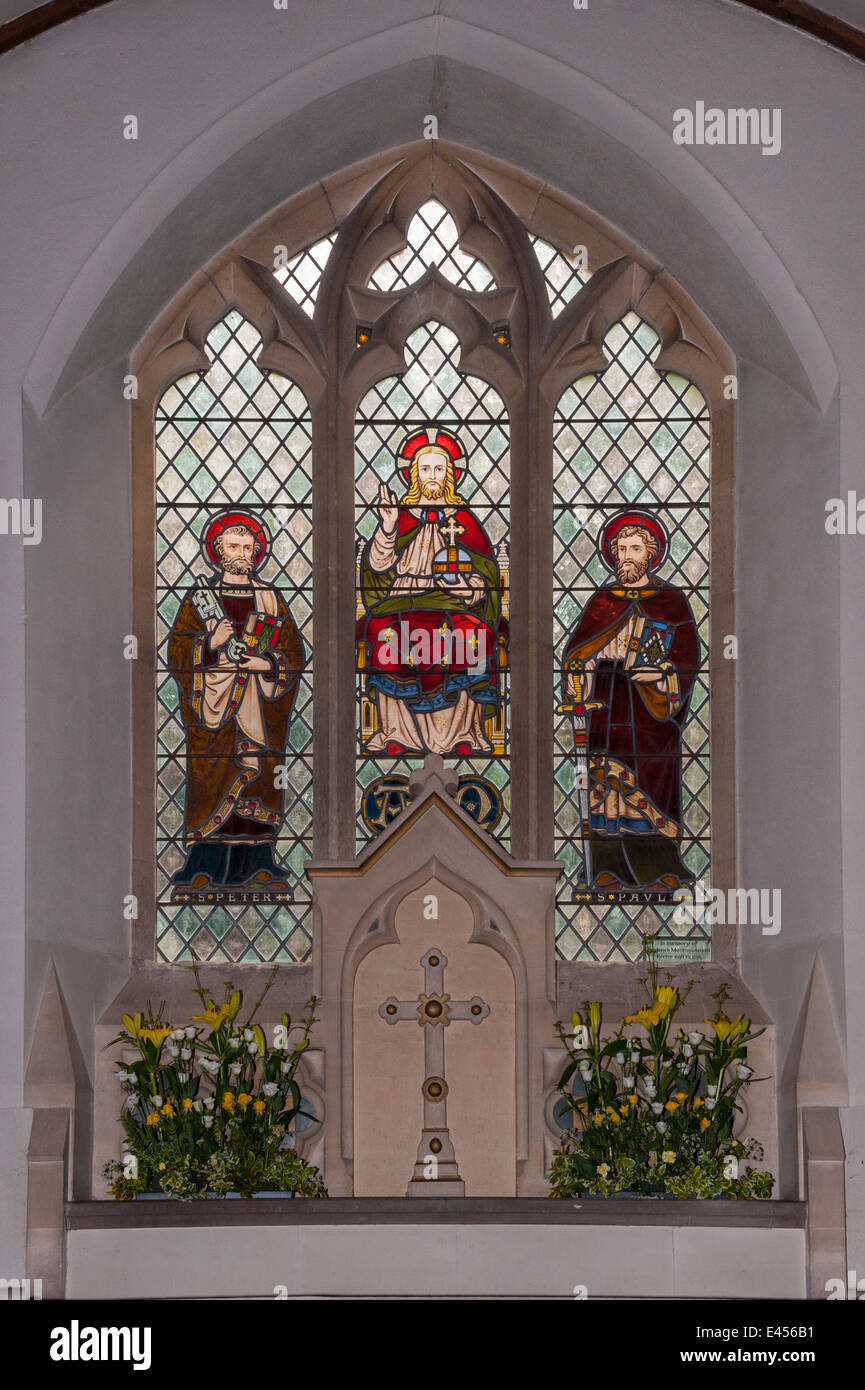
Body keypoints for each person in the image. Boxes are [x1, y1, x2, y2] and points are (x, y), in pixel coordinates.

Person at [168, 509, 304, 896]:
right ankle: (203, 865)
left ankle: (258, 863)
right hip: (213, 706)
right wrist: (208, 646)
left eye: (248, 545)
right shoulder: (201, 599)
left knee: (259, 778)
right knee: (212, 775)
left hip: (260, 705)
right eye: (234, 545)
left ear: (258, 551)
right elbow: (179, 652)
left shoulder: (270, 598)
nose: (242, 551)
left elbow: (294, 652)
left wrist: (267, 663)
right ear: (218, 550)